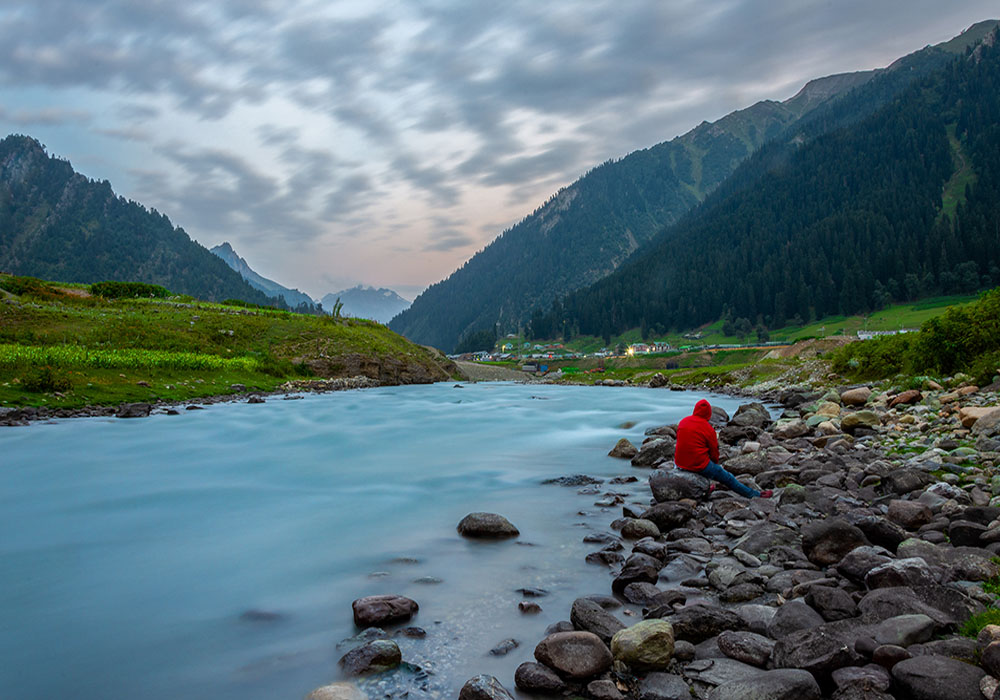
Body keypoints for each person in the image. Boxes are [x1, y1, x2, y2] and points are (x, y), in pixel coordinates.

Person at [674, 399, 772, 498]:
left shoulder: (683, 422)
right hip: (698, 465)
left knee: (703, 465)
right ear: (708, 414)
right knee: (728, 478)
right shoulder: (708, 429)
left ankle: (704, 487)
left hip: (679, 463)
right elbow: (714, 451)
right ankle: (755, 495)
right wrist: (715, 465)